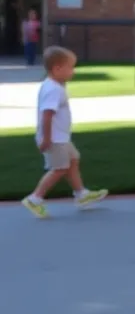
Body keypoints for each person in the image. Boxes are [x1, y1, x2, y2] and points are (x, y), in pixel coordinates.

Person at [22, 46, 109, 218]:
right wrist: (46, 139)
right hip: (54, 139)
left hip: (61, 137)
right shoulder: (53, 89)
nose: (73, 71)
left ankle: (81, 194)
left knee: (73, 159)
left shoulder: (53, 85)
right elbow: (47, 116)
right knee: (59, 168)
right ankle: (35, 198)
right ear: (57, 68)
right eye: (70, 67)